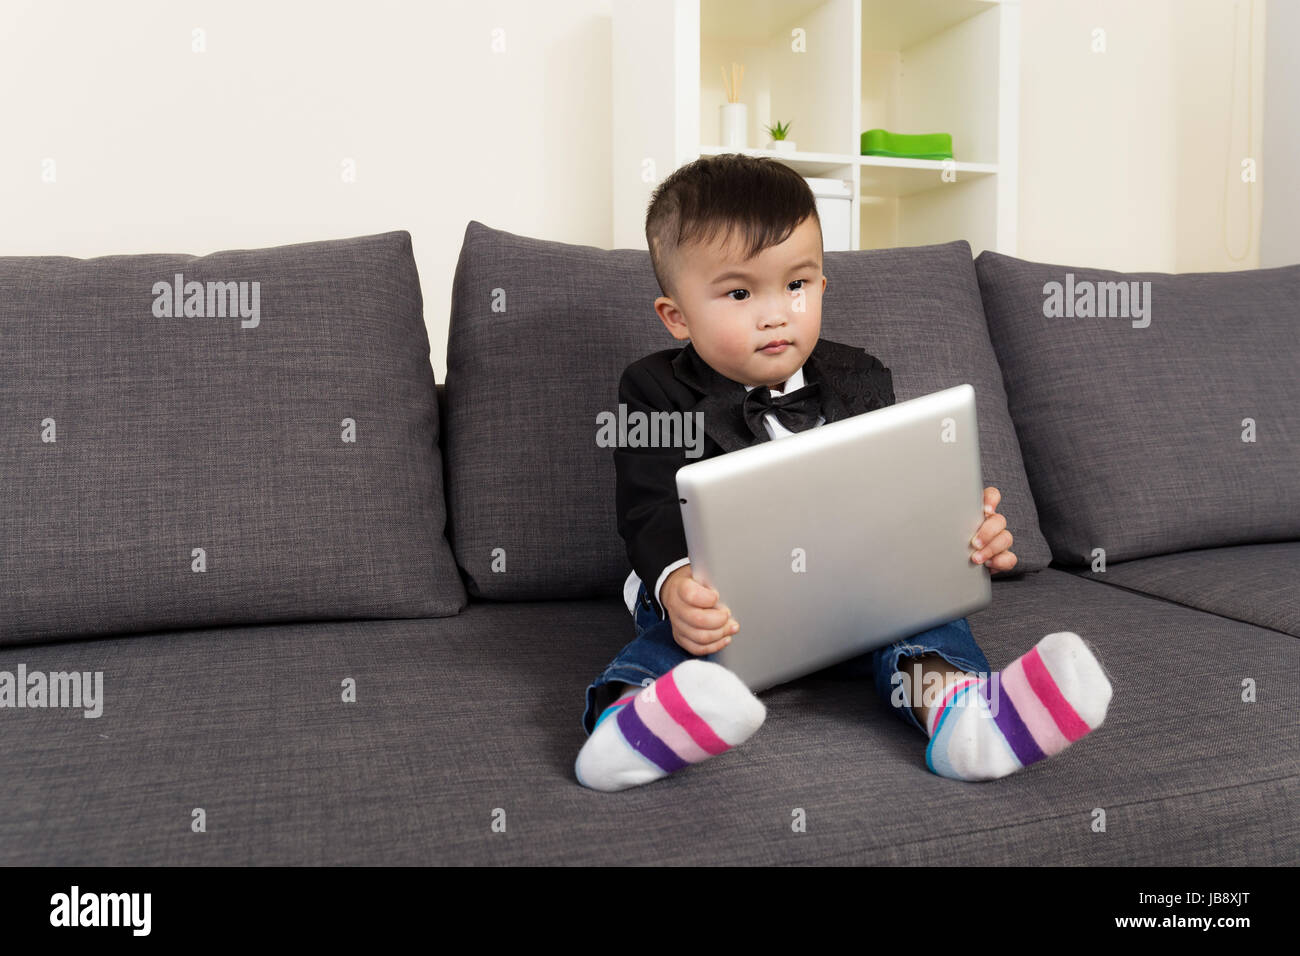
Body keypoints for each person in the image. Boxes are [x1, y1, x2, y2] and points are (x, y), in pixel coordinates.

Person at [575, 154, 1112, 792]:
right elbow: (648, 505)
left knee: (922, 617)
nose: (775, 314)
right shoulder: (653, 387)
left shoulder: (859, 374)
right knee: (691, 633)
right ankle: (630, 725)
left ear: (823, 285)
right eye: (740, 293)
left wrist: (959, 527)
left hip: (855, 591)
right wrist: (675, 583)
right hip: (727, 599)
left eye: (796, 285)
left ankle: (964, 716)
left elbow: (893, 488)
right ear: (677, 316)